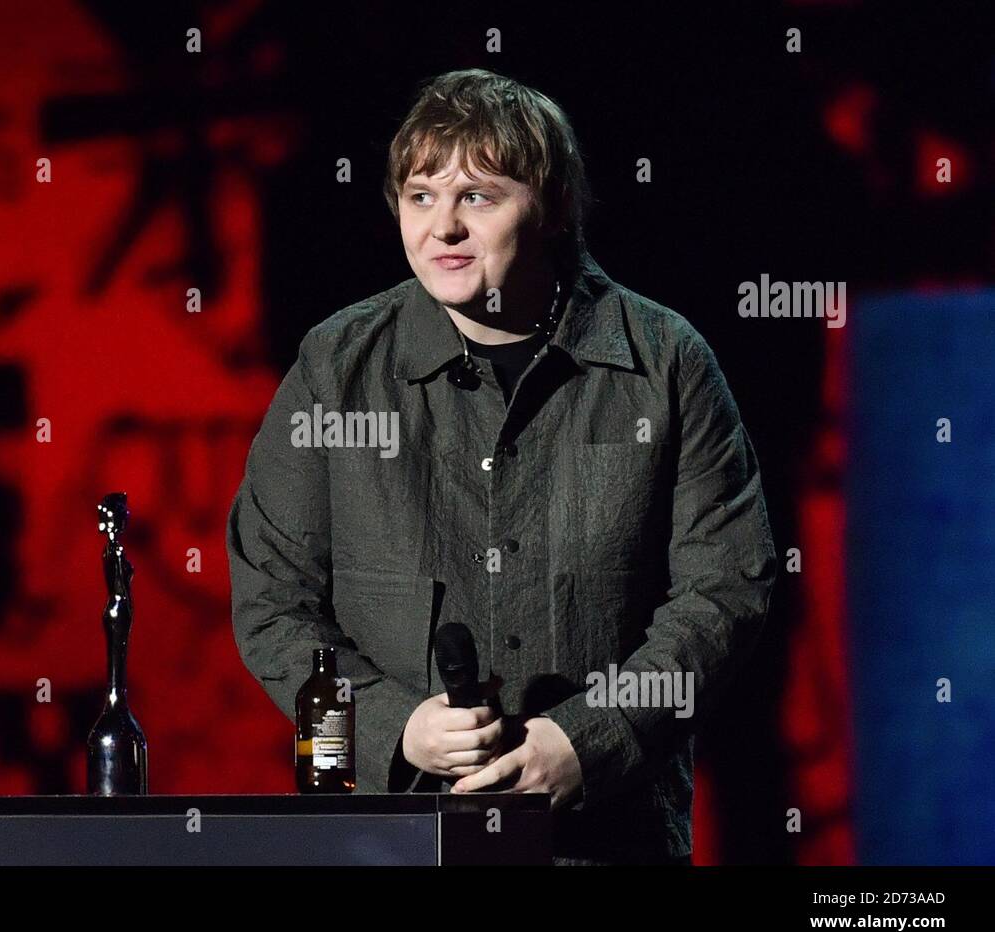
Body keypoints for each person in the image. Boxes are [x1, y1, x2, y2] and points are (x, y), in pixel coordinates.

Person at [226, 68, 776, 865]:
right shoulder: (334, 366)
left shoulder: (666, 363)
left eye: (478, 197)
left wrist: (590, 739)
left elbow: (727, 590)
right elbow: (270, 602)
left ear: (550, 208)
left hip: (607, 840)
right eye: (421, 197)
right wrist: (390, 727)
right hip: (387, 841)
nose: (443, 226)